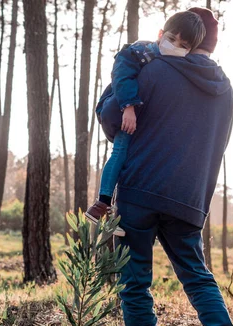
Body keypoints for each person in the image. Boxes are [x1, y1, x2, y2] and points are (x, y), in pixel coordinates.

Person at [97, 7, 233, 326]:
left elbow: (108, 113)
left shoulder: (153, 69)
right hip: (189, 200)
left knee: (135, 285)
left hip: (139, 190)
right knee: (198, 277)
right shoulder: (227, 91)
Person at [85, 10, 207, 235]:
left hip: (142, 121)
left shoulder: (176, 66)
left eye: (182, 45)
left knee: (133, 162)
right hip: (124, 111)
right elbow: (122, 75)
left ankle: (116, 214)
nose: (174, 46)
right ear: (160, 34)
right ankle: (100, 205)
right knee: (120, 152)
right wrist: (128, 107)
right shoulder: (140, 51)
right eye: (171, 39)